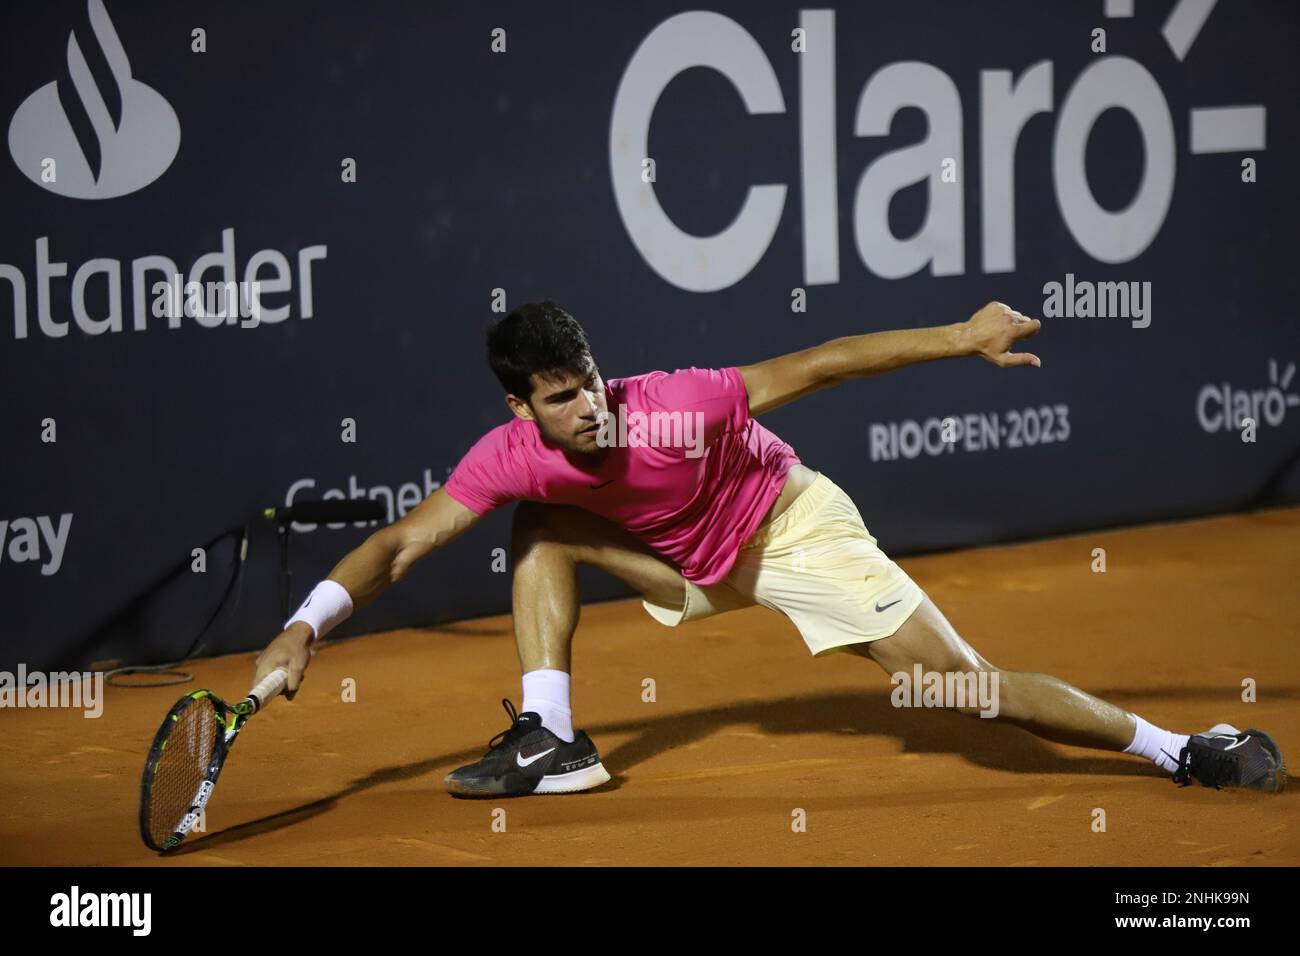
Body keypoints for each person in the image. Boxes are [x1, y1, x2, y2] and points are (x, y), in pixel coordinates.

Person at [253, 299, 1287, 797]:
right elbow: (398, 548)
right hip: (691, 564)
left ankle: (1174, 747)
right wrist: (304, 627)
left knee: (967, 694)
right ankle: (554, 735)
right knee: (539, 524)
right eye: (564, 400)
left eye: (593, 382)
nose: (592, 408)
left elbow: (825, 362)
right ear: (520, 406)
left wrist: (958, 338)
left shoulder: (679, 405)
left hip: (791, 529)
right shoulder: (511, 454)